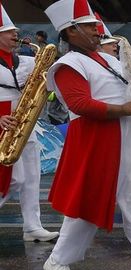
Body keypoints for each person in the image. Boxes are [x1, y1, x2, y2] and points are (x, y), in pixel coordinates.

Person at [40, 0, 131, 270]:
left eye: (96, 25)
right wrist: (123, 109)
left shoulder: (107, 59)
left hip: (124, 136)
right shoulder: (68, 64)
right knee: (88, 204)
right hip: (96, 139)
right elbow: (79, 104)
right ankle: (57, 261)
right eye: (90, 26)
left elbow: (128, 86)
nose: (98, 30)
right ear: (70, 31)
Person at [0, 4, 58, 243]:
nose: (16, 34)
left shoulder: (25, 59)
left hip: (26, 119)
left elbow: (44, 86)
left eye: (15, 31)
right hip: (4, 120)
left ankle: (33, 225)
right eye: (9, 31)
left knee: (32, 175)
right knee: (14, 178)